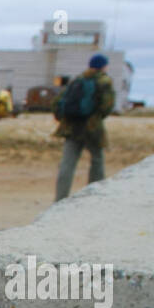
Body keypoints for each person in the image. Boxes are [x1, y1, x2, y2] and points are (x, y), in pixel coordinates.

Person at [54, 54, 116, 201]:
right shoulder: (104, 81)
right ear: (104, 66)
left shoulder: (78, 79)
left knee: (67, 163)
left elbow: (58, 101)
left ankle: (60, 198)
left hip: (71, 126)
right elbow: (107, 106)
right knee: (97, 160)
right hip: (92, 127)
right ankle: (94, 196)